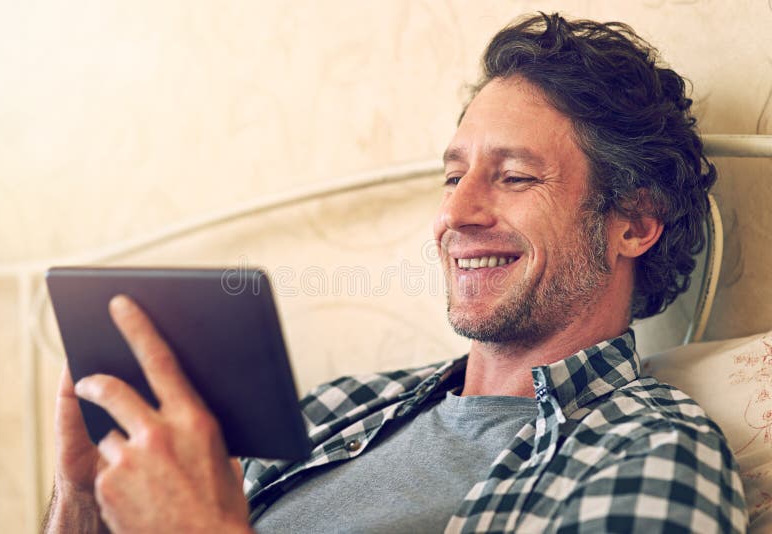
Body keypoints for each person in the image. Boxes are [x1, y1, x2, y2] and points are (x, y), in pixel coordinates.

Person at [43, 12, 748, 533]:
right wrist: (81, 496)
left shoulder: (651, 451)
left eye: (514, 176)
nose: (456, 213)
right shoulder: (332, 410)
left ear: (633, 222)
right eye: (452, 175)